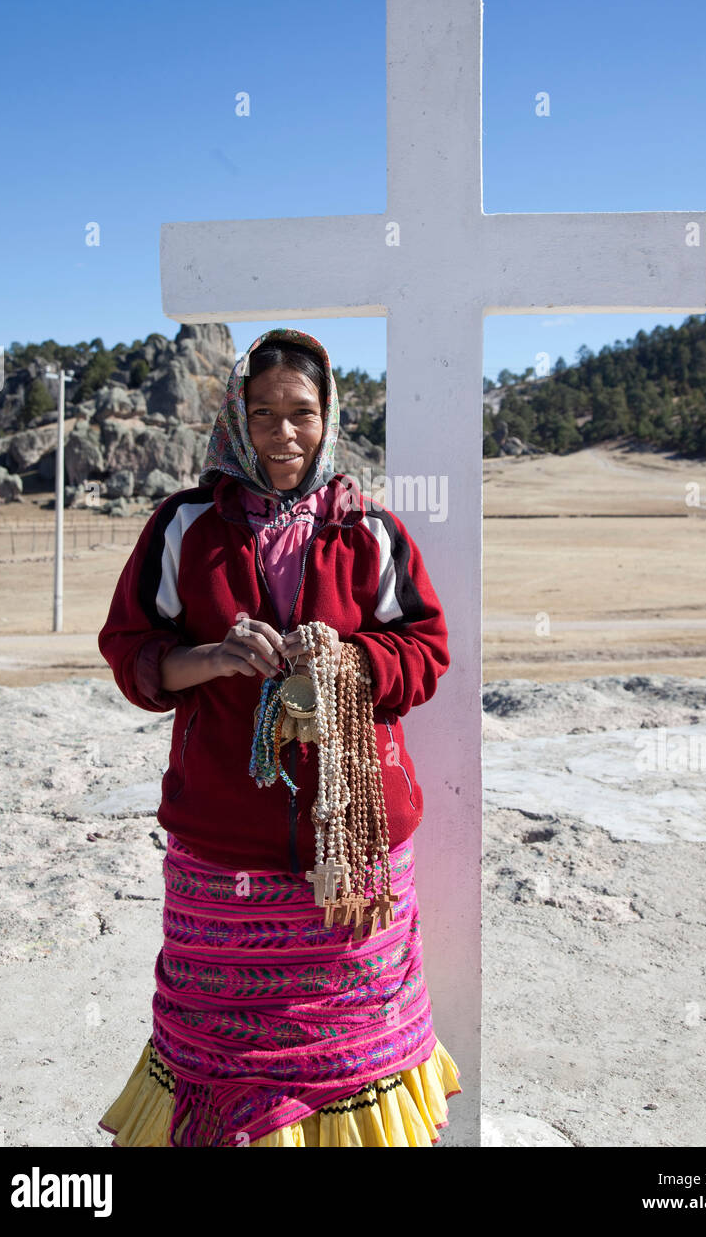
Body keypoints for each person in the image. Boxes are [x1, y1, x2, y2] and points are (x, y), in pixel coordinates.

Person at [96, 325, 461, 1146]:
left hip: (352, 847)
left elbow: (426, 650)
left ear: (329, 414)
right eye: (264, 414)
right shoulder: (184, 528)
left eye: (301, 413)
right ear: (236, 419)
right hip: (224, 846)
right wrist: (212, 659)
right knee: (220, 1047)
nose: (285, 434)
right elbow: (129, 651)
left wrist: (347, 663)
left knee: (355, 1050)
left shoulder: (370, 530)